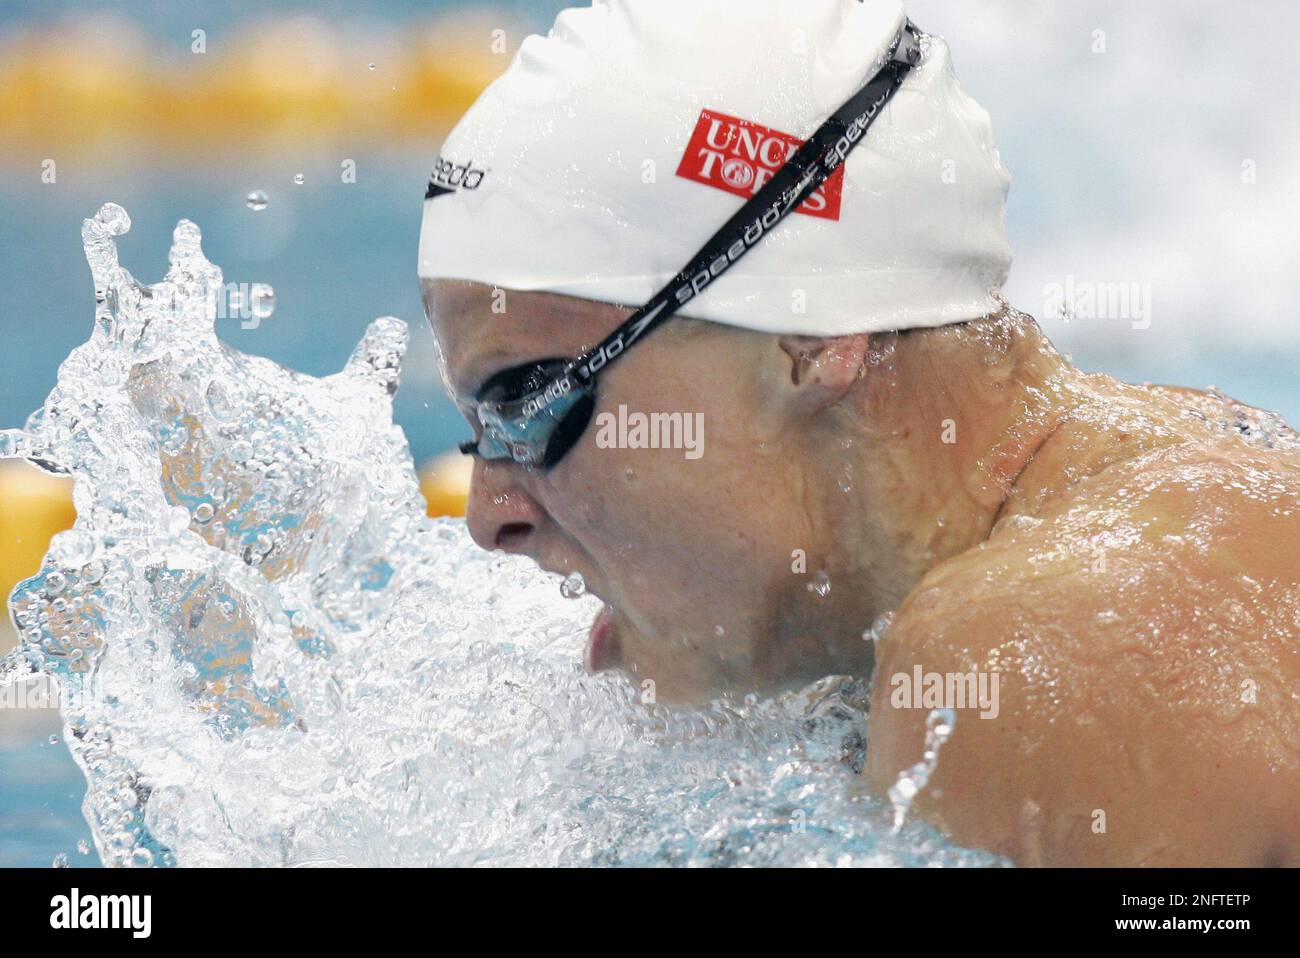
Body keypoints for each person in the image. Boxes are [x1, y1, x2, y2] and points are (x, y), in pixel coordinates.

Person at [419, 0, 1300, 866]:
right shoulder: (1199, 463)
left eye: (527, 404)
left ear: (808, 337)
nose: (490, 515)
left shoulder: (1022, 656)